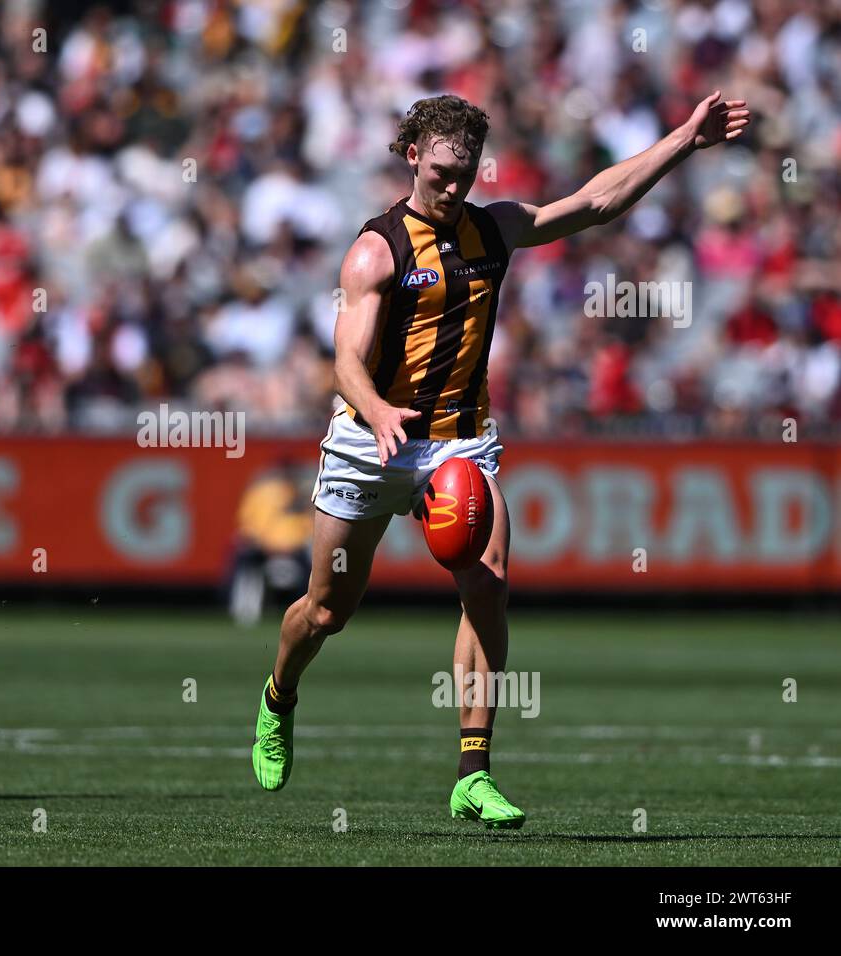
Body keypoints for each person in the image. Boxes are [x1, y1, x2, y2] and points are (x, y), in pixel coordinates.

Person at [251, 92, 750, 827]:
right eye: (444, 173)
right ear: (412, 155)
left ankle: (472, 771)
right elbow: (347, 362)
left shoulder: (494, 229)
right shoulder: (376, 249)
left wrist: (682, 138)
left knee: (487, 583)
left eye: (468, 175)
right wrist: (382, 409)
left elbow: (594, 204)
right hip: (370, 441)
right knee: (325, 611)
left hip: (459, 440)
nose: (455, 188)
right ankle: (278, 696)